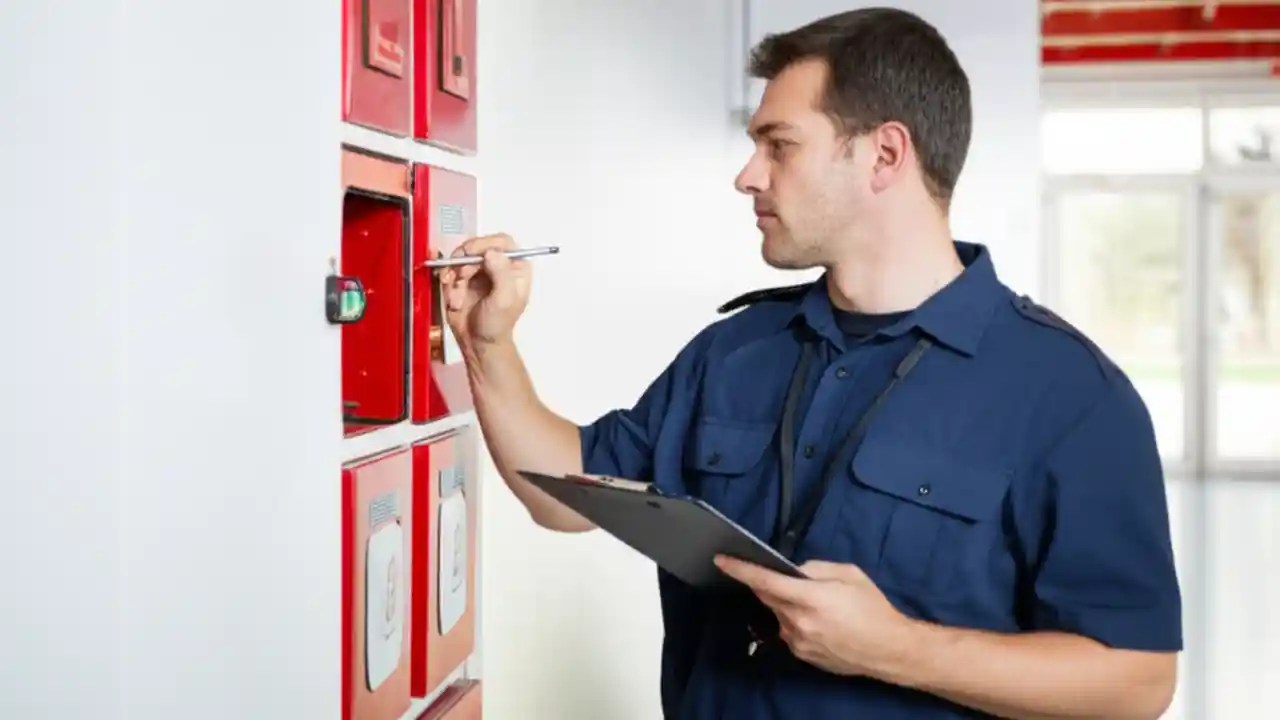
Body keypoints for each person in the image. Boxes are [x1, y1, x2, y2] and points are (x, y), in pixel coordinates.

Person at [439, 7, 1182, 719]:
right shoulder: (737, 350)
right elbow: (566, 494)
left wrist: (896, 650)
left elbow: (1135, 680)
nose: (747, 176)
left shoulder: (1070, 394)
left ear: (884, 155)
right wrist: (486, 342)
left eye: (779, 144)